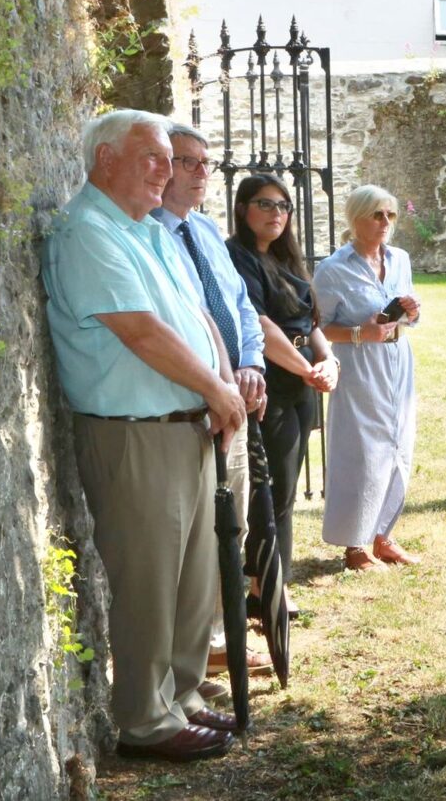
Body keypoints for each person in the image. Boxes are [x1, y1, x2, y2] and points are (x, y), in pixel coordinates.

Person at [42, 109, 246, 762]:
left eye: (172, 159)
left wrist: (222, 378)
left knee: (191, 577)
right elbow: (140, 329)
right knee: (148, 580)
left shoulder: (149, 229)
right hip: (133, 433)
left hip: (186, 426)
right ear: (105, 158)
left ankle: (181, 697)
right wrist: (217, 390)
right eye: (154, 157)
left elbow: (197, 317)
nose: (168, 169)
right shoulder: (86, 232)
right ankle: (144, 718)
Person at [150, 120, 274, 681]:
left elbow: (242, 307)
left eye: (206, 162)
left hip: (236, 401)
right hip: (189, 405)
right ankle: (195, 647)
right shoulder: (147, 235)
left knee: (235, 525)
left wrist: (250, 363)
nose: (202, 172)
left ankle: (224, 633)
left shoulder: (203, 232)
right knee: (195, 535)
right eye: (187, 161)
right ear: (159, 166)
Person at [226, 173, 339, 603]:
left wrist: (329, 360)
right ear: (243, 209)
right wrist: (308, 369)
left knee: (285, 486)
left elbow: (309, 324)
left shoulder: (287, 258)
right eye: (265, 204)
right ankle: (267, 583)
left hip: (301, 378)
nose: (276, 214)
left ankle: (269, 581)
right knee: (272, 485)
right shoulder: (237, 257)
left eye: (283, 206)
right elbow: (259, 324)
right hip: (270, 381)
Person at [313, 185, 422, 571]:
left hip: (397, 363)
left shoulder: (400, 259)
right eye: (377, 215)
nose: (385, 223)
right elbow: (318, 328)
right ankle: (354, 544)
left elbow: (406, 313)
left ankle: (383, 535)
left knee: (398, 446)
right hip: (359, 366)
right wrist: (361, 332)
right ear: (355, 218)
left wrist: (410, 311)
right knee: (361, 451)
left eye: (391, 215)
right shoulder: (333, 270)